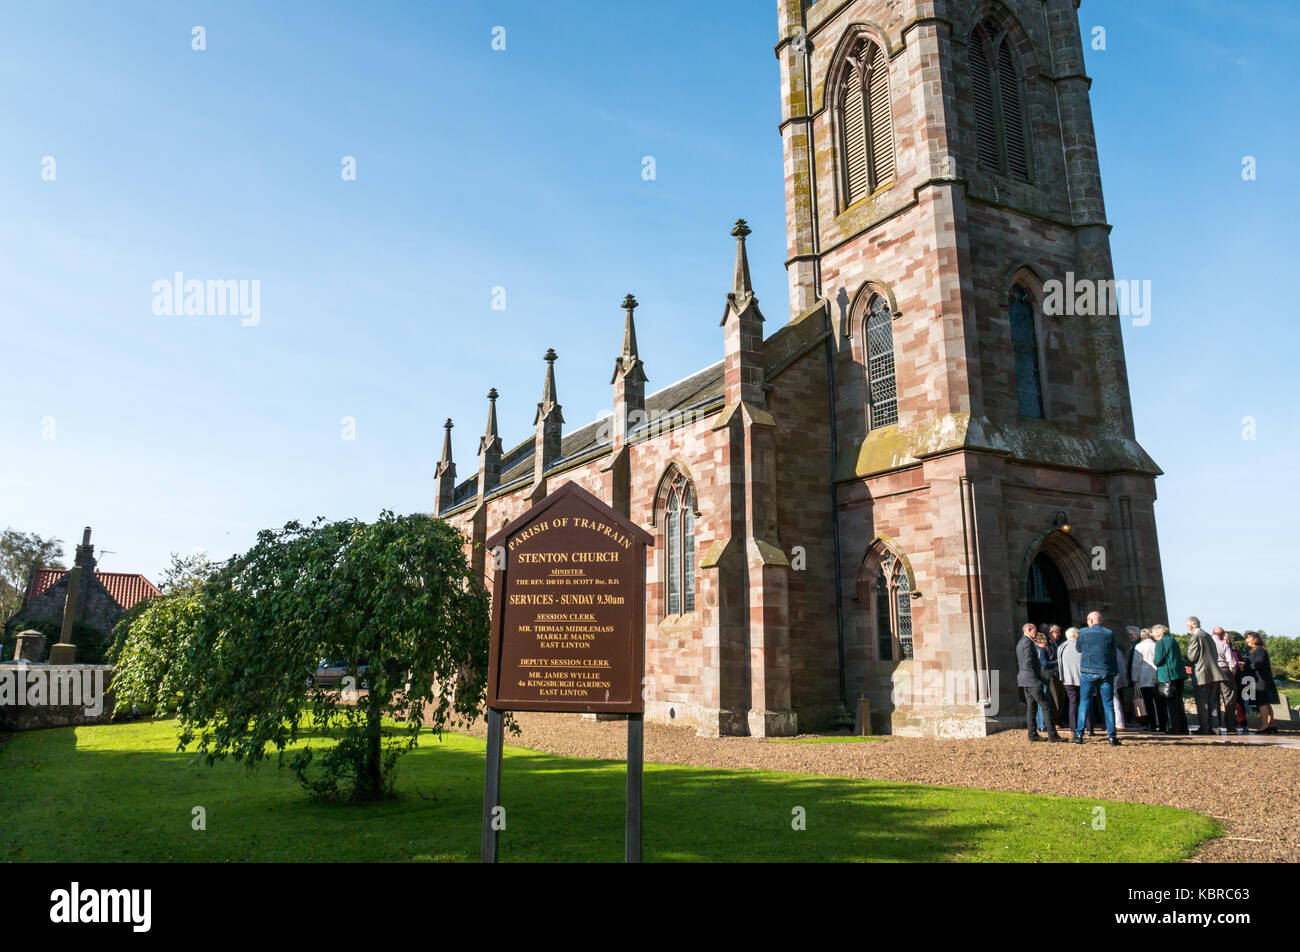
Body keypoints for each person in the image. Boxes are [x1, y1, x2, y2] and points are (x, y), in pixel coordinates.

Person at [1075, 611, 1120, 745]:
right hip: (1105, 672)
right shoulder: (1109, 633)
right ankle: (1112, 737)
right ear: (1101, 621)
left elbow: (1078, 648)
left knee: (1084, 701)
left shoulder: (1083, 632)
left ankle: (1079, 734)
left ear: (1090, 621)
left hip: (1088, 671)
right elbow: (1113, 653)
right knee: (1108, 704)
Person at [1185, 617, 1230, 735]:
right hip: (1214, 672)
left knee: (1202, 702)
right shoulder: (1208, 635)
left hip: (1201, 674)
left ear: (1190, 626)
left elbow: (1192, 656)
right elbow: (1215, 654)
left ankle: (1204, 728)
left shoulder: (1196, 637)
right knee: (1213, 702)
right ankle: (1215, 728)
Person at [1017, 622, 1060, 742]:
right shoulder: (1027, 643)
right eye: (1035, 630)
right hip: (1031, 680)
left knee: (1031, 708)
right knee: (1045, 705)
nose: (1036, 633)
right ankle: (1052, 735)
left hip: (1024, 679)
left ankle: (1032, 734)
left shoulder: (1021, 642)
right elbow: (1029, 662)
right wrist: (1037, 678)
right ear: (1029, 630)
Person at [1151, 624, 1188, 734]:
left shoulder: (1160, 642)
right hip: (1178, 674)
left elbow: (1158, 660)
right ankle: (1183, 727)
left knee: (1171, 704)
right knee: (1179, 703)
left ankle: (1176, 728)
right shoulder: (1172, 640)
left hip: (1168, 676)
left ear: (1158, 633)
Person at [1058, 627, 1092, 736]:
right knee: (1085, 702)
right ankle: (1089, 728)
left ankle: (1073, 728)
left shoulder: (1062, 646)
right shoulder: (1082, 646)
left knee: (1072, 703)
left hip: (1068, 679)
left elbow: (1060, 664)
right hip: (1082, 678)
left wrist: (1062, 677)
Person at [1245, 631, 1279, 734]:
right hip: (1263, 679)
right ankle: (1271, 724)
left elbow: (1258, 663)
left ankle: (1264, 725)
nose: (1246, 640)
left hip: (1260, 681)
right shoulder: (1260, 651)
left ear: (1253, 640)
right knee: (1267, 703)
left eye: (1248, 638)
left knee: (1262, 703)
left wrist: (1245, 666)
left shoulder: (1259, 651)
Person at [1130, 627, 1163, 732]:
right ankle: (1161, 723)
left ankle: (1151, 724)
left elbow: (1136, 664)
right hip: (1157, 676)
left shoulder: (1139, 646)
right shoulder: (1155, 645)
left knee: (1148, 702)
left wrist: (1134, 678)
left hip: (1144, 677)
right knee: (1158, 702)